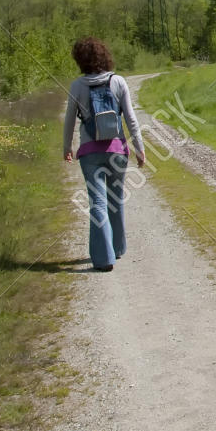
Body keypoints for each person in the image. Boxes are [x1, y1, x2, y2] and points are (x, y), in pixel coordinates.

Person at [62, 37, 146, 272]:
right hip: (117, 151)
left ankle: (104, 258)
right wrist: (139, 148)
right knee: (116, 200)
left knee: (98, 203)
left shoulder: (77, 86)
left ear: (80, 60)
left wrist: (67, 147)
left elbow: (69, 120)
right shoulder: (118, 81)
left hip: (90, 154)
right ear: (104, 56)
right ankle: (118, 248)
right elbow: (131, 119)